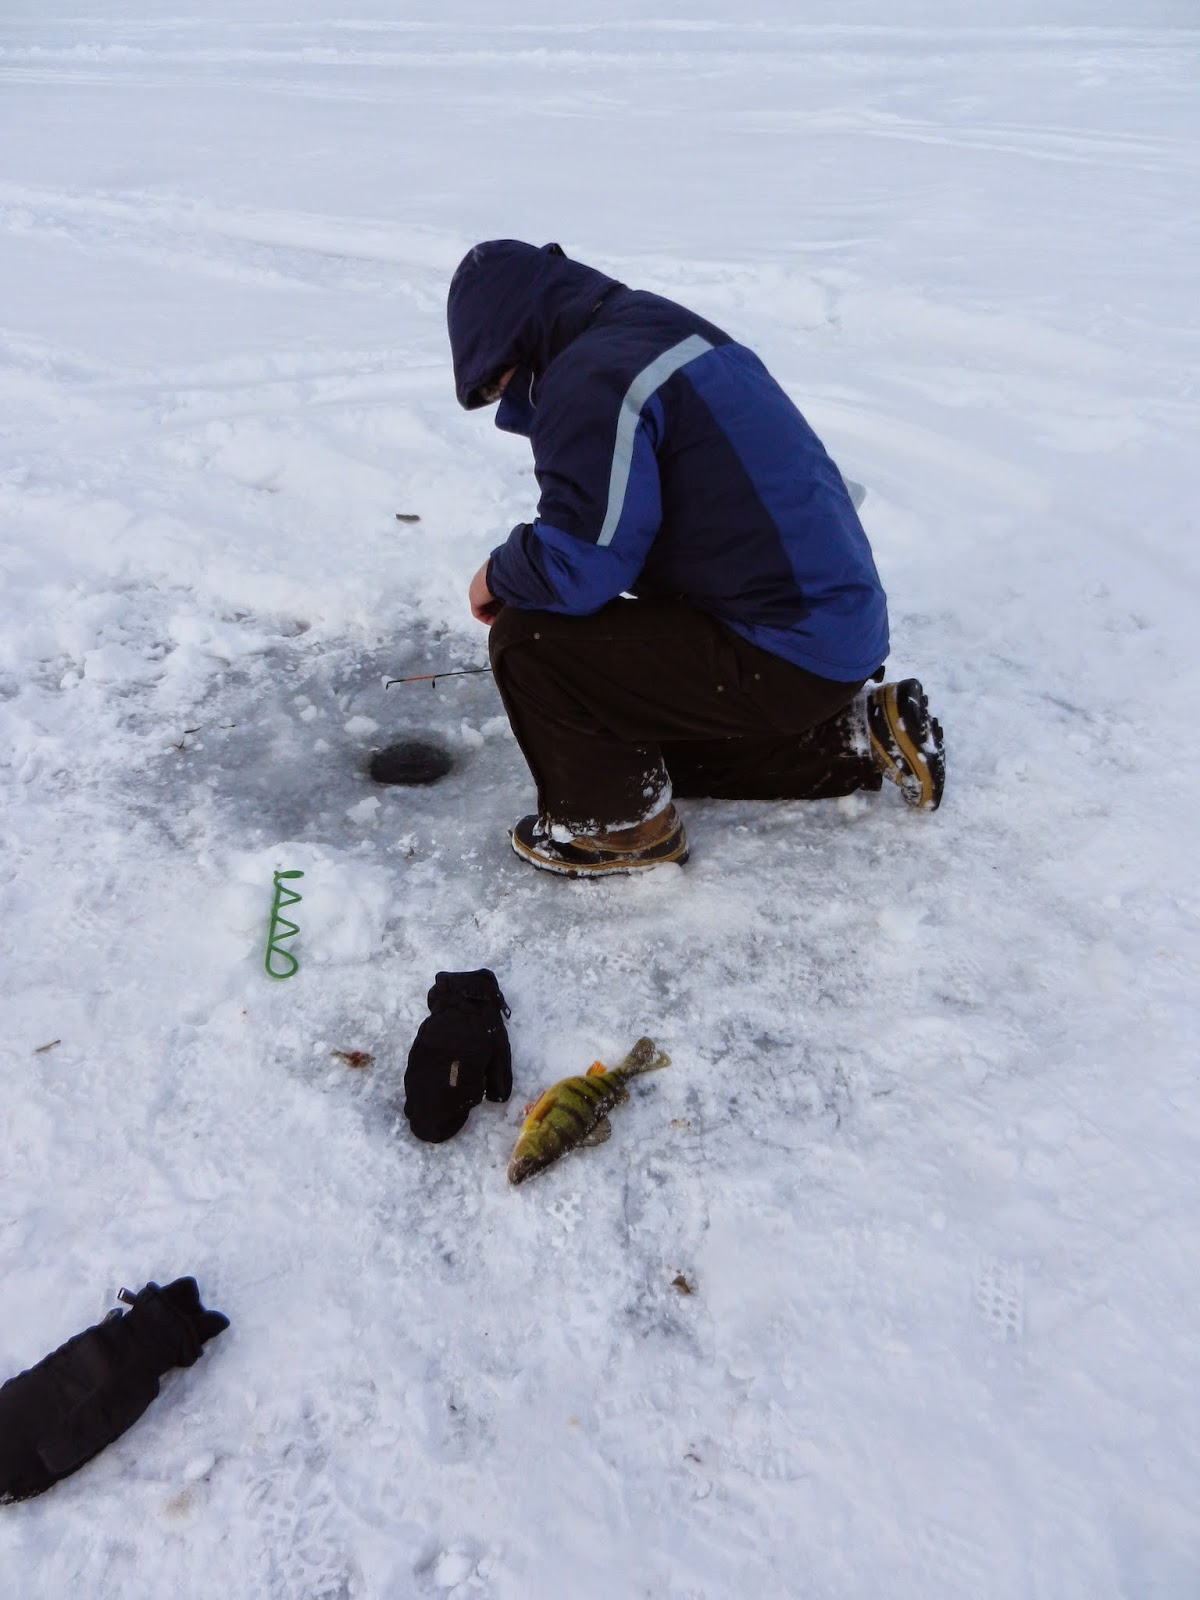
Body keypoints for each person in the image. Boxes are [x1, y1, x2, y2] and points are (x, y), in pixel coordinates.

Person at [446, 239, 945, 877]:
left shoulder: (591, 377)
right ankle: (855, 736)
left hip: (785, 644)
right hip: (832, 631)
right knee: (631, 741)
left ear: (514, 337)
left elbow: (583, 562)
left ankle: (620, 831)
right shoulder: (658, 328)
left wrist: (497, 573)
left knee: (529, 640)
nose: (505, 396)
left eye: (498, 379)